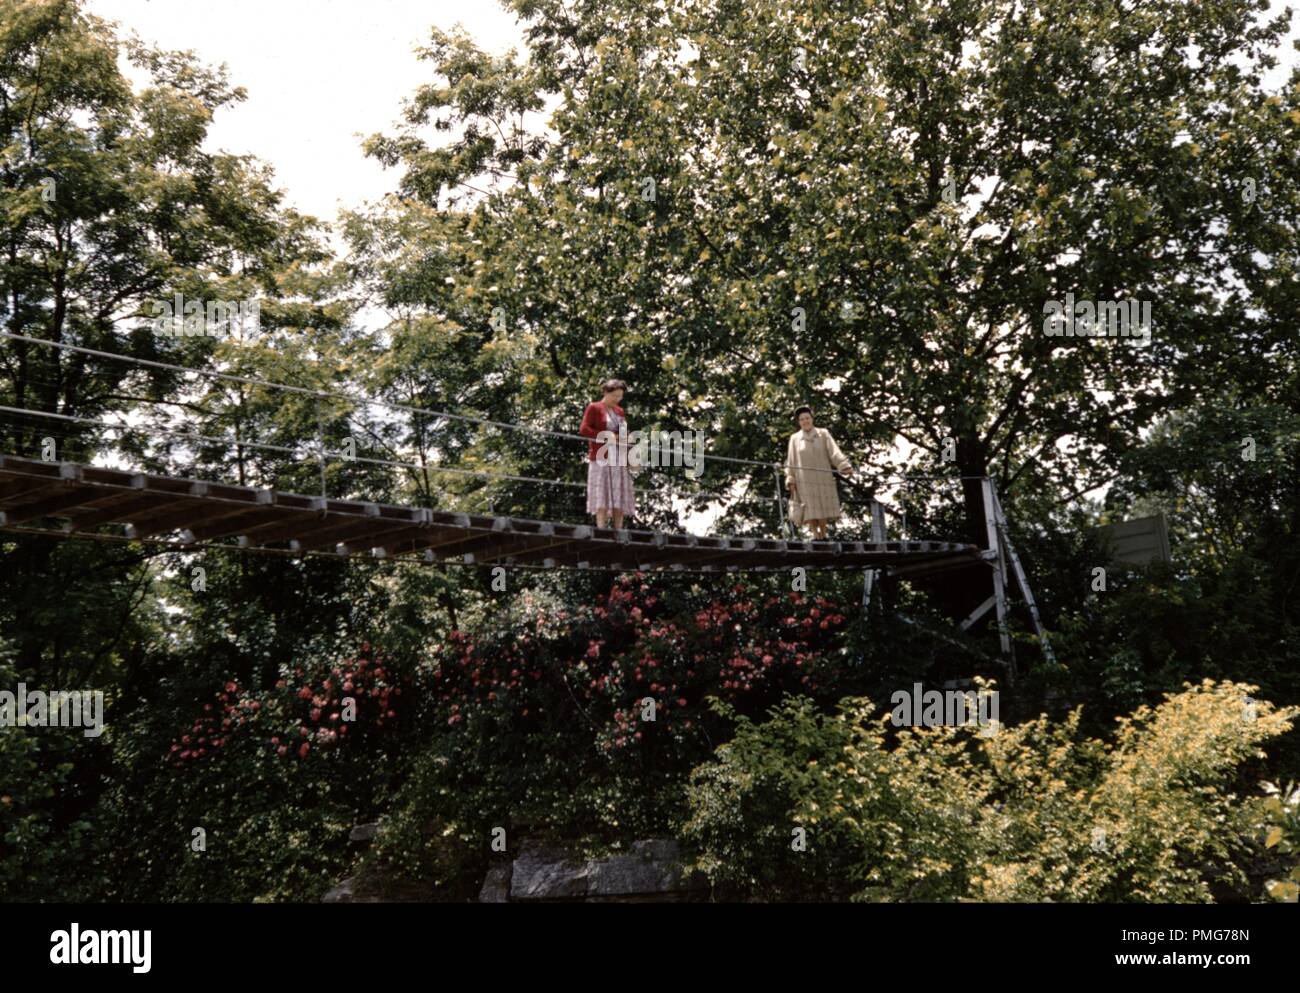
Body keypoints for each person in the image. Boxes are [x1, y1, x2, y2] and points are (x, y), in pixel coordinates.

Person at [785, 406, 853, 539]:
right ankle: (815, 535)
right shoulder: (794, 438)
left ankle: (823, 533)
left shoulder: (823, 433)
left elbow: (834, 451)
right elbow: (791, 460)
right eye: (802, 419)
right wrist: (790, 478)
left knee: (822, 506)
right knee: (808, 506)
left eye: (807, 418)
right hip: (804, 478)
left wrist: (843, 465)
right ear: (799, 422)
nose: (805, 421)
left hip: (823, 476)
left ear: (812, 419)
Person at [579, 378, 636, 529]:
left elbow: (621, 431)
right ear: (605, 392)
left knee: (619, 491)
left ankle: (618, 528)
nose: (617, 399)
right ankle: (601, 527)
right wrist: (604, 435)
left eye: (620, 396)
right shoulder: (594, 407)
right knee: (602, 491)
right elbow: (584, 429)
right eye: (614, 396)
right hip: (601, 456)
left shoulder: (619, 411)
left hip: (618, 457)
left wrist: (625, 437)